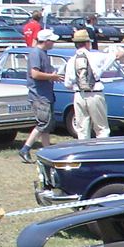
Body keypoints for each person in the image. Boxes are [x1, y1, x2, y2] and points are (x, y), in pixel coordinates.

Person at [18, 29, 60, 163]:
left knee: (47, 126)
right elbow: (34, 74)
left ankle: (47, 152)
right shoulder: (36, 53)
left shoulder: (44, 53)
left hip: (46, 94)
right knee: (42, 124)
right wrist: (51, 76)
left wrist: (52, 76)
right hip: (39, 95)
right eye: (52, 40)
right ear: (46, 41)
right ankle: (25, 148)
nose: (53, 43)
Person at [63, 29, 110, 140]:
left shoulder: (71, 61)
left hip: (79, 94)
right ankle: (102, 151)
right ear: (88, 43)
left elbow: (67, 83)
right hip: (95, 93)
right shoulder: (96, 56)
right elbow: (113, 57)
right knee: (101, 128)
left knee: (82, 129)